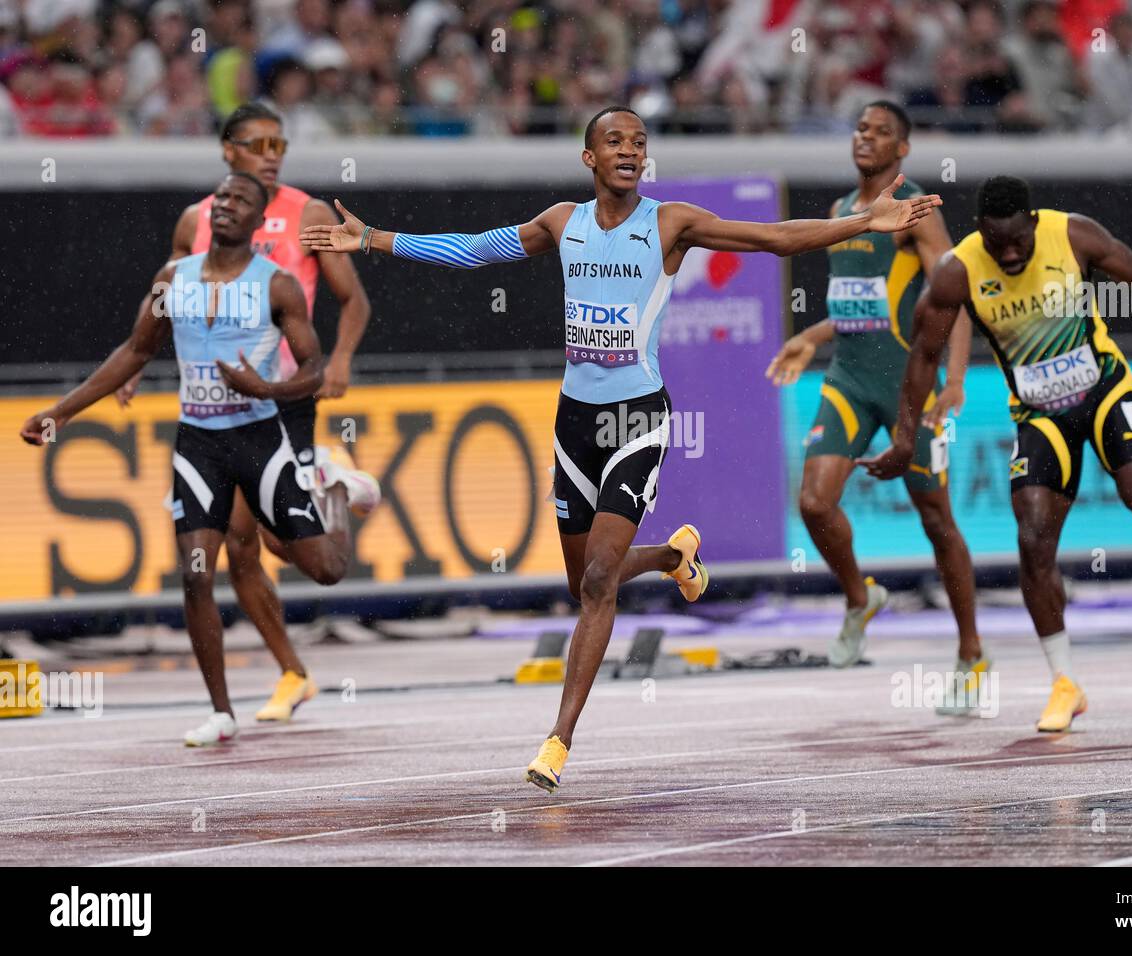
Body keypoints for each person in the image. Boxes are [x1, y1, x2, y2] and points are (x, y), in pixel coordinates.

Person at [299, 105, 942, 790]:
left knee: (600, 582)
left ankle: (557, 740)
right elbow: (476, 247)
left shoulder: (669, 223)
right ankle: (672, 555)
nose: (629, 150)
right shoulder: (562, 223)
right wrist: (372, 238)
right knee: (586, 579)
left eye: (639, 141)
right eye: (614, 141)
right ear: (589, 159)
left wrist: (863, 222)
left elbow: (776, 237)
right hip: (574, 420)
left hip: (636, 418)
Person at [865, 175, 1132, 732]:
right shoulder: (960, 270)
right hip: (1040, 414)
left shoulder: (1073, 235)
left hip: (1104, 388)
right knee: (1032, 537)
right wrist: (903, 437)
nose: (1010, 253)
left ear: (1033, 222)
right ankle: (1064, 681)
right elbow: (923, 357)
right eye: (998, 243)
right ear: (981, 233)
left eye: (1018, 240)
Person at [20, 173, 370, 746]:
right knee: (195, 574)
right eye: (222, 198)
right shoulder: (171, 280)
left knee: (326, 570)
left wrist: (266, 390)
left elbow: (311, 369)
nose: (227, 205)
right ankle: (222, 710)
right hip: (200, 444)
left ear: (259, 223)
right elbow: (136, 350)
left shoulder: (277, 285)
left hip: (261, 441)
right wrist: (61, 412)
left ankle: (331, 488)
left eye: (241, 201)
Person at [117, 102, 376, 724]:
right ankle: (292, 672)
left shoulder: (307, 213)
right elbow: (169, 298)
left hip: (284, 395)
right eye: (258, 143)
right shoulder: (196, 221)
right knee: (236, 544)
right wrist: (133, 368)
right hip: (217, 408)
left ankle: (334, 490)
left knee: (285, 547)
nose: (272, 153)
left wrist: (337, 361)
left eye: (280, 143)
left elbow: (354, 299)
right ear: (227, 151)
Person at [766, 101, 987, 713]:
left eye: (881, 131)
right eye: (861, 128)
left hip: (907, 389)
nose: (866, 137)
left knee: (937, 521)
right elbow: (856, 305)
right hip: (848, 378)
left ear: (903, 148)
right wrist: (810, 338)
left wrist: (954, 383)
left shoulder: (914, 208)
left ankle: (971, 656)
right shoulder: (841, 212)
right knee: (812, 501)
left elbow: (956, 297)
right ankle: (859, 597)